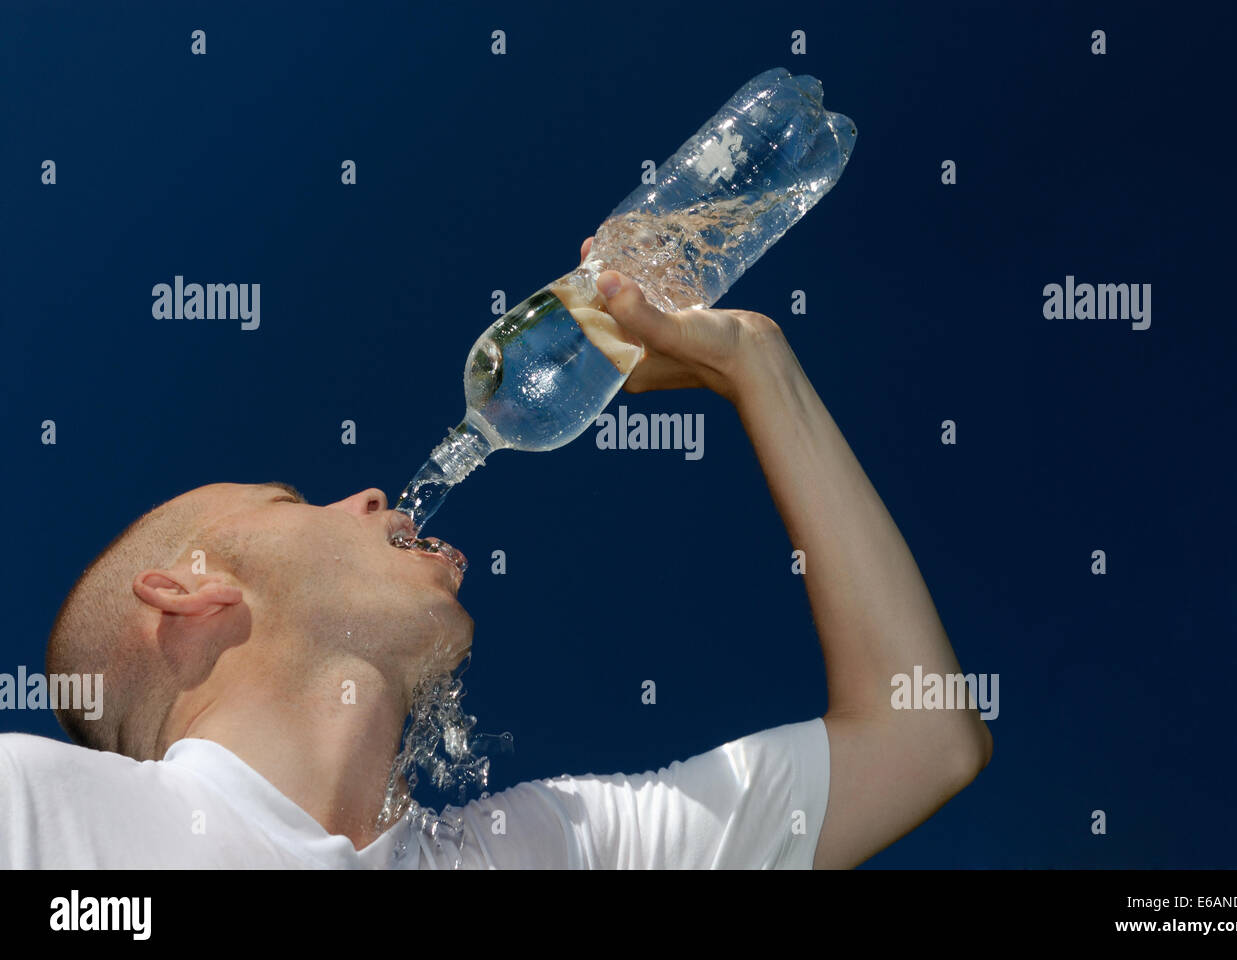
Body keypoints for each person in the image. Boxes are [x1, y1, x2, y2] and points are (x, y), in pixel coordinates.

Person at [0, 238, 992, 869]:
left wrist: (757, 368)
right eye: (292, 499)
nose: (372, 495)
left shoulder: (550, 850)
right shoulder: (34, 811)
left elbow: (921, 742)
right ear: (187, 594)